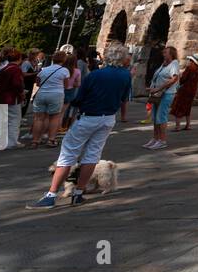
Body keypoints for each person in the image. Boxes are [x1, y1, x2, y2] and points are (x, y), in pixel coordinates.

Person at [27, 47, 132, 209]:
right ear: (122, 58)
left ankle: (51, 195)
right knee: (92, 155)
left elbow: (80, 97)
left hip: (88, 116)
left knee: (68, 155)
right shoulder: (126, 75)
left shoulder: (96, 75)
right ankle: (78, 193)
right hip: (108, 118)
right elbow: (124, 98)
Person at [28, 51, 71, 149]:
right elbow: (66, 85)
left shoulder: (44, 69)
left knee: (38, 118)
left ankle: (35, 141)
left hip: (42, 94)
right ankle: (51, 139)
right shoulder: (64, 71)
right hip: (56, 94)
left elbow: (38, 83)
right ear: (64, 60)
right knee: (54, 118)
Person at [145, 46, 180, 150]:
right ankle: (155, 138)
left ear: (171, 54)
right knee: (155, 116)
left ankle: (162, 140)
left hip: (167, 93)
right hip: (158, 94)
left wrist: (158, 88)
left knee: (161, 116)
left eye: (166, 53)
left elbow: (174, 78)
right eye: (163, 52)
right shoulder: (164, 64)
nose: (163, 54)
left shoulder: (174, 64)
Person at [0, 49, 24, 150]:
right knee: (13, 120)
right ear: (19, 58)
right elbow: (17, 84)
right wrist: (21, 93)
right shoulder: (16, 69)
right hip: (11, 98)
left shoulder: (3, 69)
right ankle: (11, 142)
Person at [169, 53, 198, 132]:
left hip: (185, 89)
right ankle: (188, 125)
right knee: (188, 107)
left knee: (179, 106)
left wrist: (179, 79)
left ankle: (177, 126)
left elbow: (183, 79)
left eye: (190, 60)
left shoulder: (189, 68)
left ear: (192, 61)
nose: (189, 61)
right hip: (193, 90)